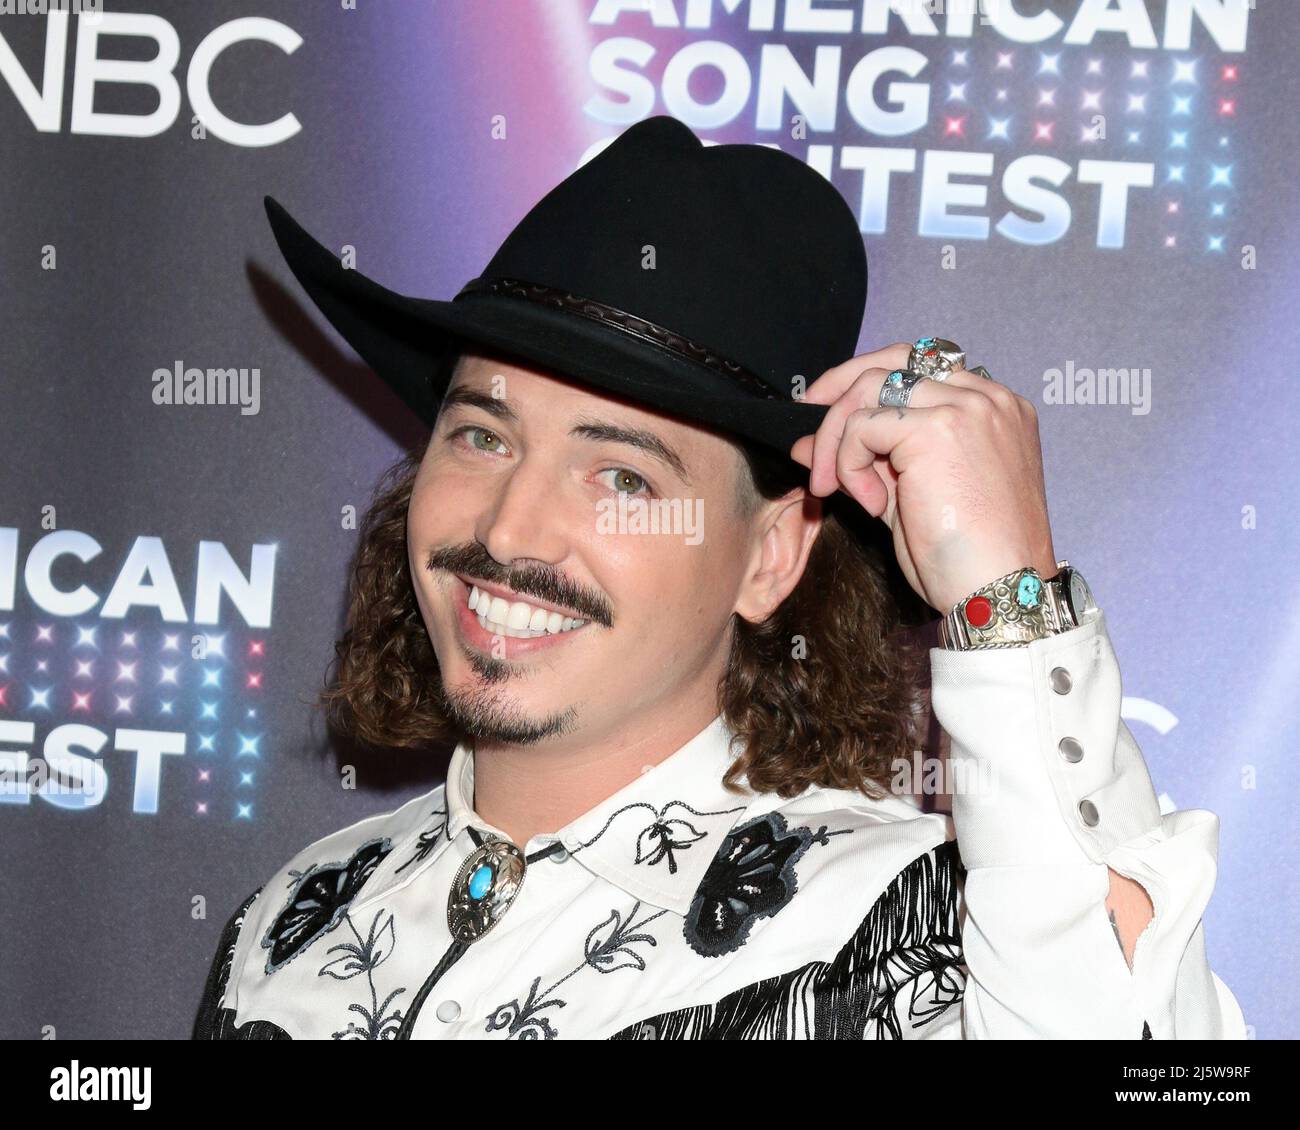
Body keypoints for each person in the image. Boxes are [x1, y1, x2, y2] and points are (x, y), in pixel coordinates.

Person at [192, 116, 1245, 1040]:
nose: (514, 525)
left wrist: (1005, 591)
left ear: (771, 554)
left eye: (620, 473)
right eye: (480, 433)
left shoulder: (908, 931)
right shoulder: (289, 924)